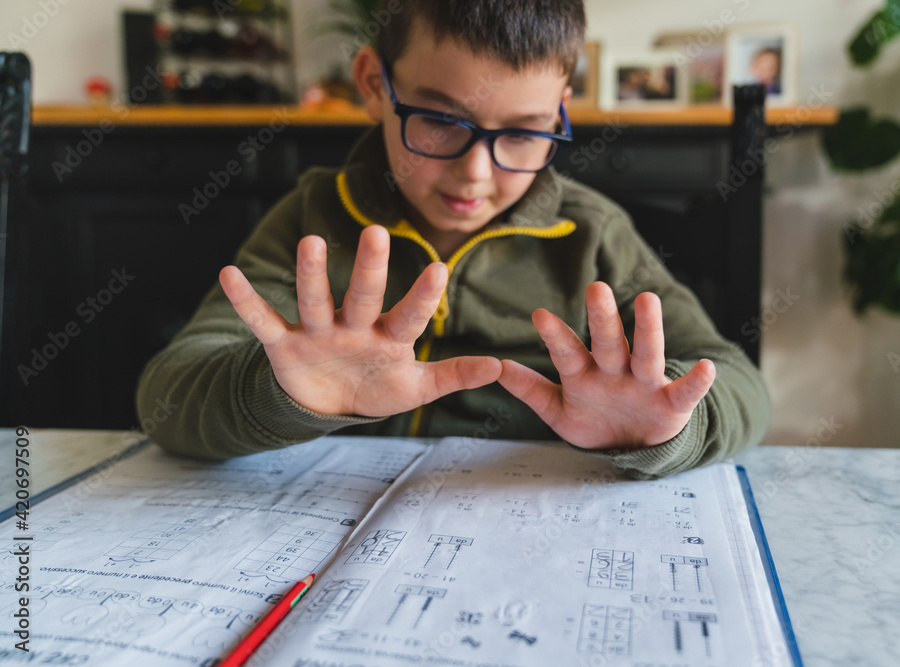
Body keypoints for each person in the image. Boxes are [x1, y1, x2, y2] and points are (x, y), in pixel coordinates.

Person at [136, 0, 770, 478]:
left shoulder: (596, 235)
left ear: (559, 112)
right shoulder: (312, 219)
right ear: (373, 85)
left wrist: (665, 428)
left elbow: (740, 383)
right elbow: (167, 401)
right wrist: (284, 395)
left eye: (524, 133)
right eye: (440, 121)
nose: (476, 172)